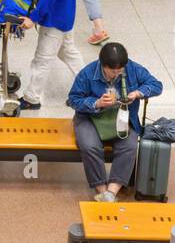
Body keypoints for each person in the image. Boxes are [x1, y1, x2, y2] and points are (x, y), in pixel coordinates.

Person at [66, 41, 162, 201]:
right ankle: (101, 189)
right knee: (90, 146)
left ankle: (111, 193)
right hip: (90, 118)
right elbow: (73, 99)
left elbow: (156, 85)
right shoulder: (87, 74)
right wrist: (96, 103)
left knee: (130, 145)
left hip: (122, 117)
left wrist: (138, 93)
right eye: (112, 70)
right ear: (102, 65)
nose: (116, 74)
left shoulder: (133, 68)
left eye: (120, 70)